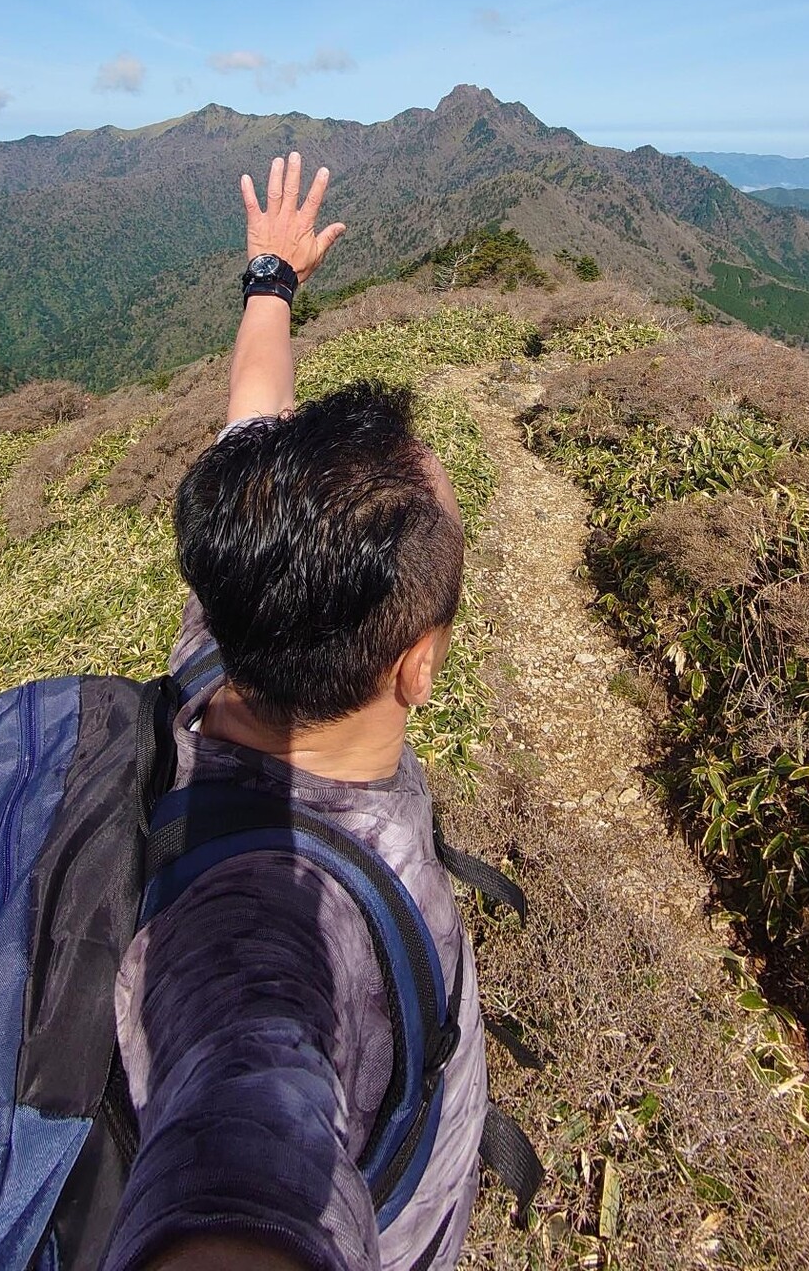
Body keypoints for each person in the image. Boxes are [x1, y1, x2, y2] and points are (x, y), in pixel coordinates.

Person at [101, 153, 488, 1271]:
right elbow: (239, 1139)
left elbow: (252, 417)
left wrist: (272, 280)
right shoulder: (272, 934)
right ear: (417, 668)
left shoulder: (228, 619)